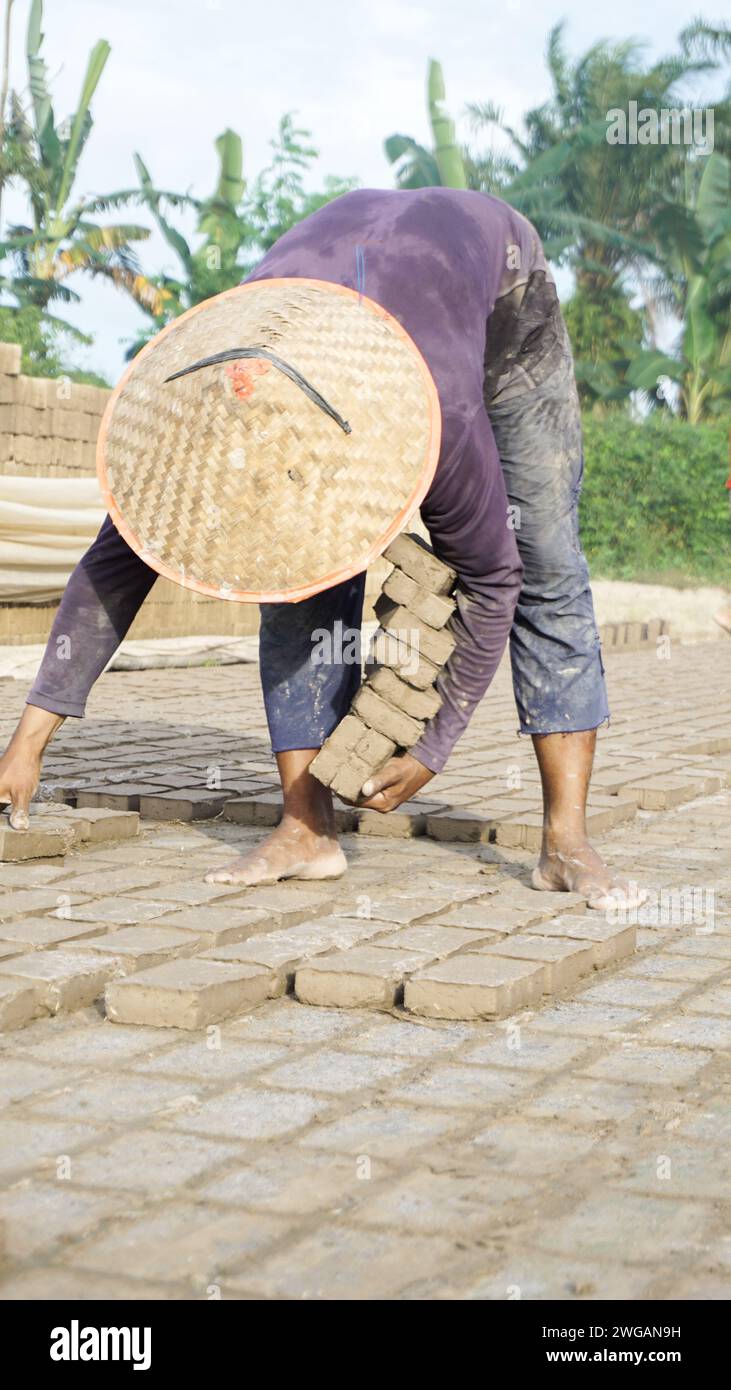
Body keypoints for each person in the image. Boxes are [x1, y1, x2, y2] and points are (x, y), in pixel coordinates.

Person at [0, 187, 630, 909]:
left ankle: (566, 843)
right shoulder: (194, 420)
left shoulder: (441, 414)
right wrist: (28, 743)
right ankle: (306, 830)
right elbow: (114, 570)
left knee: (544, 553)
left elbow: (493, 578)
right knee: (291, 569)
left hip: (502, 293)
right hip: (331, 284)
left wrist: (432, 746)